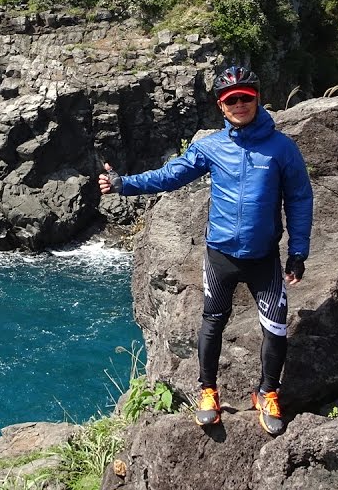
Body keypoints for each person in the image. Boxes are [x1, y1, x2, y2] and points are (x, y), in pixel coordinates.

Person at [97, 65, 313, 435]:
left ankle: (267, 393)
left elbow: (299, 199)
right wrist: (124, 184)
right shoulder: (211, 147)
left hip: (264, 258)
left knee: (276, 329)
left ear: (257, 99)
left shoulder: (282, 148)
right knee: (212, 323)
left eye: (246, 97)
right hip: (220, 256)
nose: (240, 104)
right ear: (221, 106)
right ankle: (208, 391)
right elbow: (171, 175)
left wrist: (298, 251)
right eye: (232, 100)